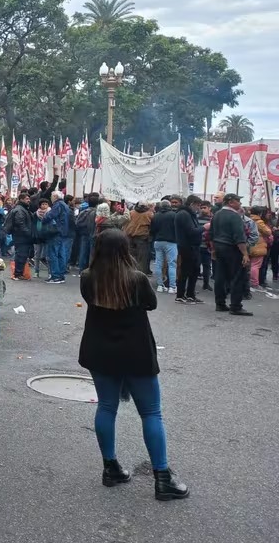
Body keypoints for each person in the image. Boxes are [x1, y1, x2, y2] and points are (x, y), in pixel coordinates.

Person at [78, 228, 188, 500]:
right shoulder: (137, 279)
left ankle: (110, 467)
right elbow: (150, 305)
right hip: (135, 351)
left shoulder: (87, 277)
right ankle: (162, 477)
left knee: (106, 407)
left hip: (99, 349)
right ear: (125, 249)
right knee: (151, 413)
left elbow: (91, 301)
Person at [209, 193, 252, 316]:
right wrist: (245, 254)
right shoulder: (235, 216)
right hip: (232, 249)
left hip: (219, 247)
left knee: (220, 276)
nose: (240, 203)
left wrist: (213, 250)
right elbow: (239, 237)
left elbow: (211, 234)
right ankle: (236, 306)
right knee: (237, 277)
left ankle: (220, 303)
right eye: (238, 201)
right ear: (231, 202)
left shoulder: (216, 215)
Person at [174, 194, 204, 304]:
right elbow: (191, 231)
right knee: (185, 271)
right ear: (192, 204)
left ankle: (190, 294)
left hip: (193, 246)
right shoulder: (183, 214)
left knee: (195, 271)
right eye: (198, 205)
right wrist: (203, 228)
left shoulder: (189, 214)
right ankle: (180, 295)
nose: (198, 208)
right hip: (186, 246)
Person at [4, 193, 35, 281]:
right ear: (21, 199)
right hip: (21, 236)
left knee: (22, 254)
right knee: (21, 254)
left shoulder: (22, 209)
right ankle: (18, 273)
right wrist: (28, 233)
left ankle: (19, 273)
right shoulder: (20, 210)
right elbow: (20, 223)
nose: (28, 200)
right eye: (26, 199)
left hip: (21, 235)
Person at [150, 200, 178, 294]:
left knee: (158, 264)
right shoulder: (173, 215)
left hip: (158, 241)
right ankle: (172, 287)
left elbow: (152, 229)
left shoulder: (156, 215)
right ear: (169, 206)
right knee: (172, 264)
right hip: (171, 242)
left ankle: (160, 286)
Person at [43, 191, 72, 283]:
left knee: (53, 254)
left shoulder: (57, 205)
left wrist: (45, 216)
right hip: (63, 232)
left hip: (55, 232)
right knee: (61, 254)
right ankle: (60, 275)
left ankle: (55, 275)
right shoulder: (65, 205)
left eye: (52, 196)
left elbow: (51, 216)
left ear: (55, 196)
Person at [123, 202, 154, 275]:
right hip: (142, 237)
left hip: (129, 236)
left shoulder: (131, 213)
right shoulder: (149, 214)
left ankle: (130, 272)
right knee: (142, 258)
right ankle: (140, 274)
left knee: (130, 255)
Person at [247, 206, 272, 293]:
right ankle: (254, 283)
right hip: (258, 246)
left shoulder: (248, 219)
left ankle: (248, 282)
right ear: (260, 213)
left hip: (250, 245)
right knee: (255, 265)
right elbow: (268, 231)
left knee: (250, 265)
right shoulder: (259, 221)